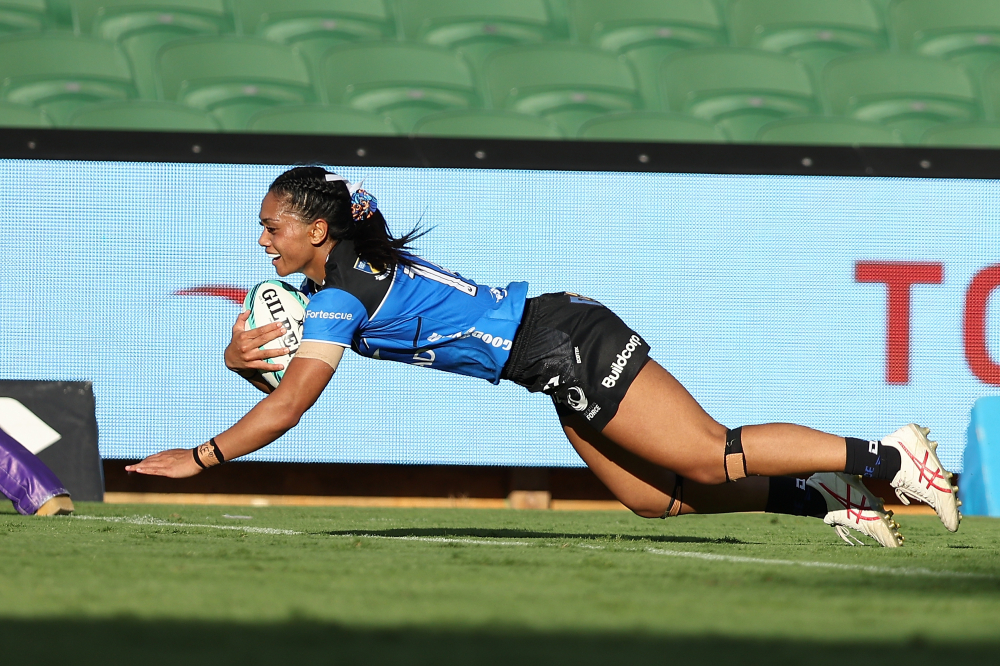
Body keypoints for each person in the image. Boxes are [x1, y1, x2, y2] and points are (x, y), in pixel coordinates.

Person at [128, 166, 961, 547]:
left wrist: (203, 456)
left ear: (315, 230)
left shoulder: (337, 293)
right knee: (654, 502)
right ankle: (823, 501)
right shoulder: (337, 274)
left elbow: (294, 404)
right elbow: (285, 376)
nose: (262, 238)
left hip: (568, 340)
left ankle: (893, 455)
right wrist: (243, 363)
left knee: (713, 454)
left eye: (273, 225)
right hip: (547, 365)